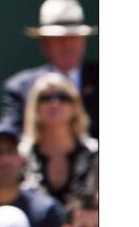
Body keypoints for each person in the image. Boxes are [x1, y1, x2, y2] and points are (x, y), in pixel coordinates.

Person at [0, 0, 98, 138]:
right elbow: (11, 139)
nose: (67, 45)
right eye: (58, 39)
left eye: (73, 37)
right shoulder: (20, 87)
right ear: (44, 43)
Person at [19, 72, 98, 208]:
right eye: (45, 98)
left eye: (63, 97)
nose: (55, 104)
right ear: (35, 107)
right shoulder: (22, 155)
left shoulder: (95, 153)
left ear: (75, 106)